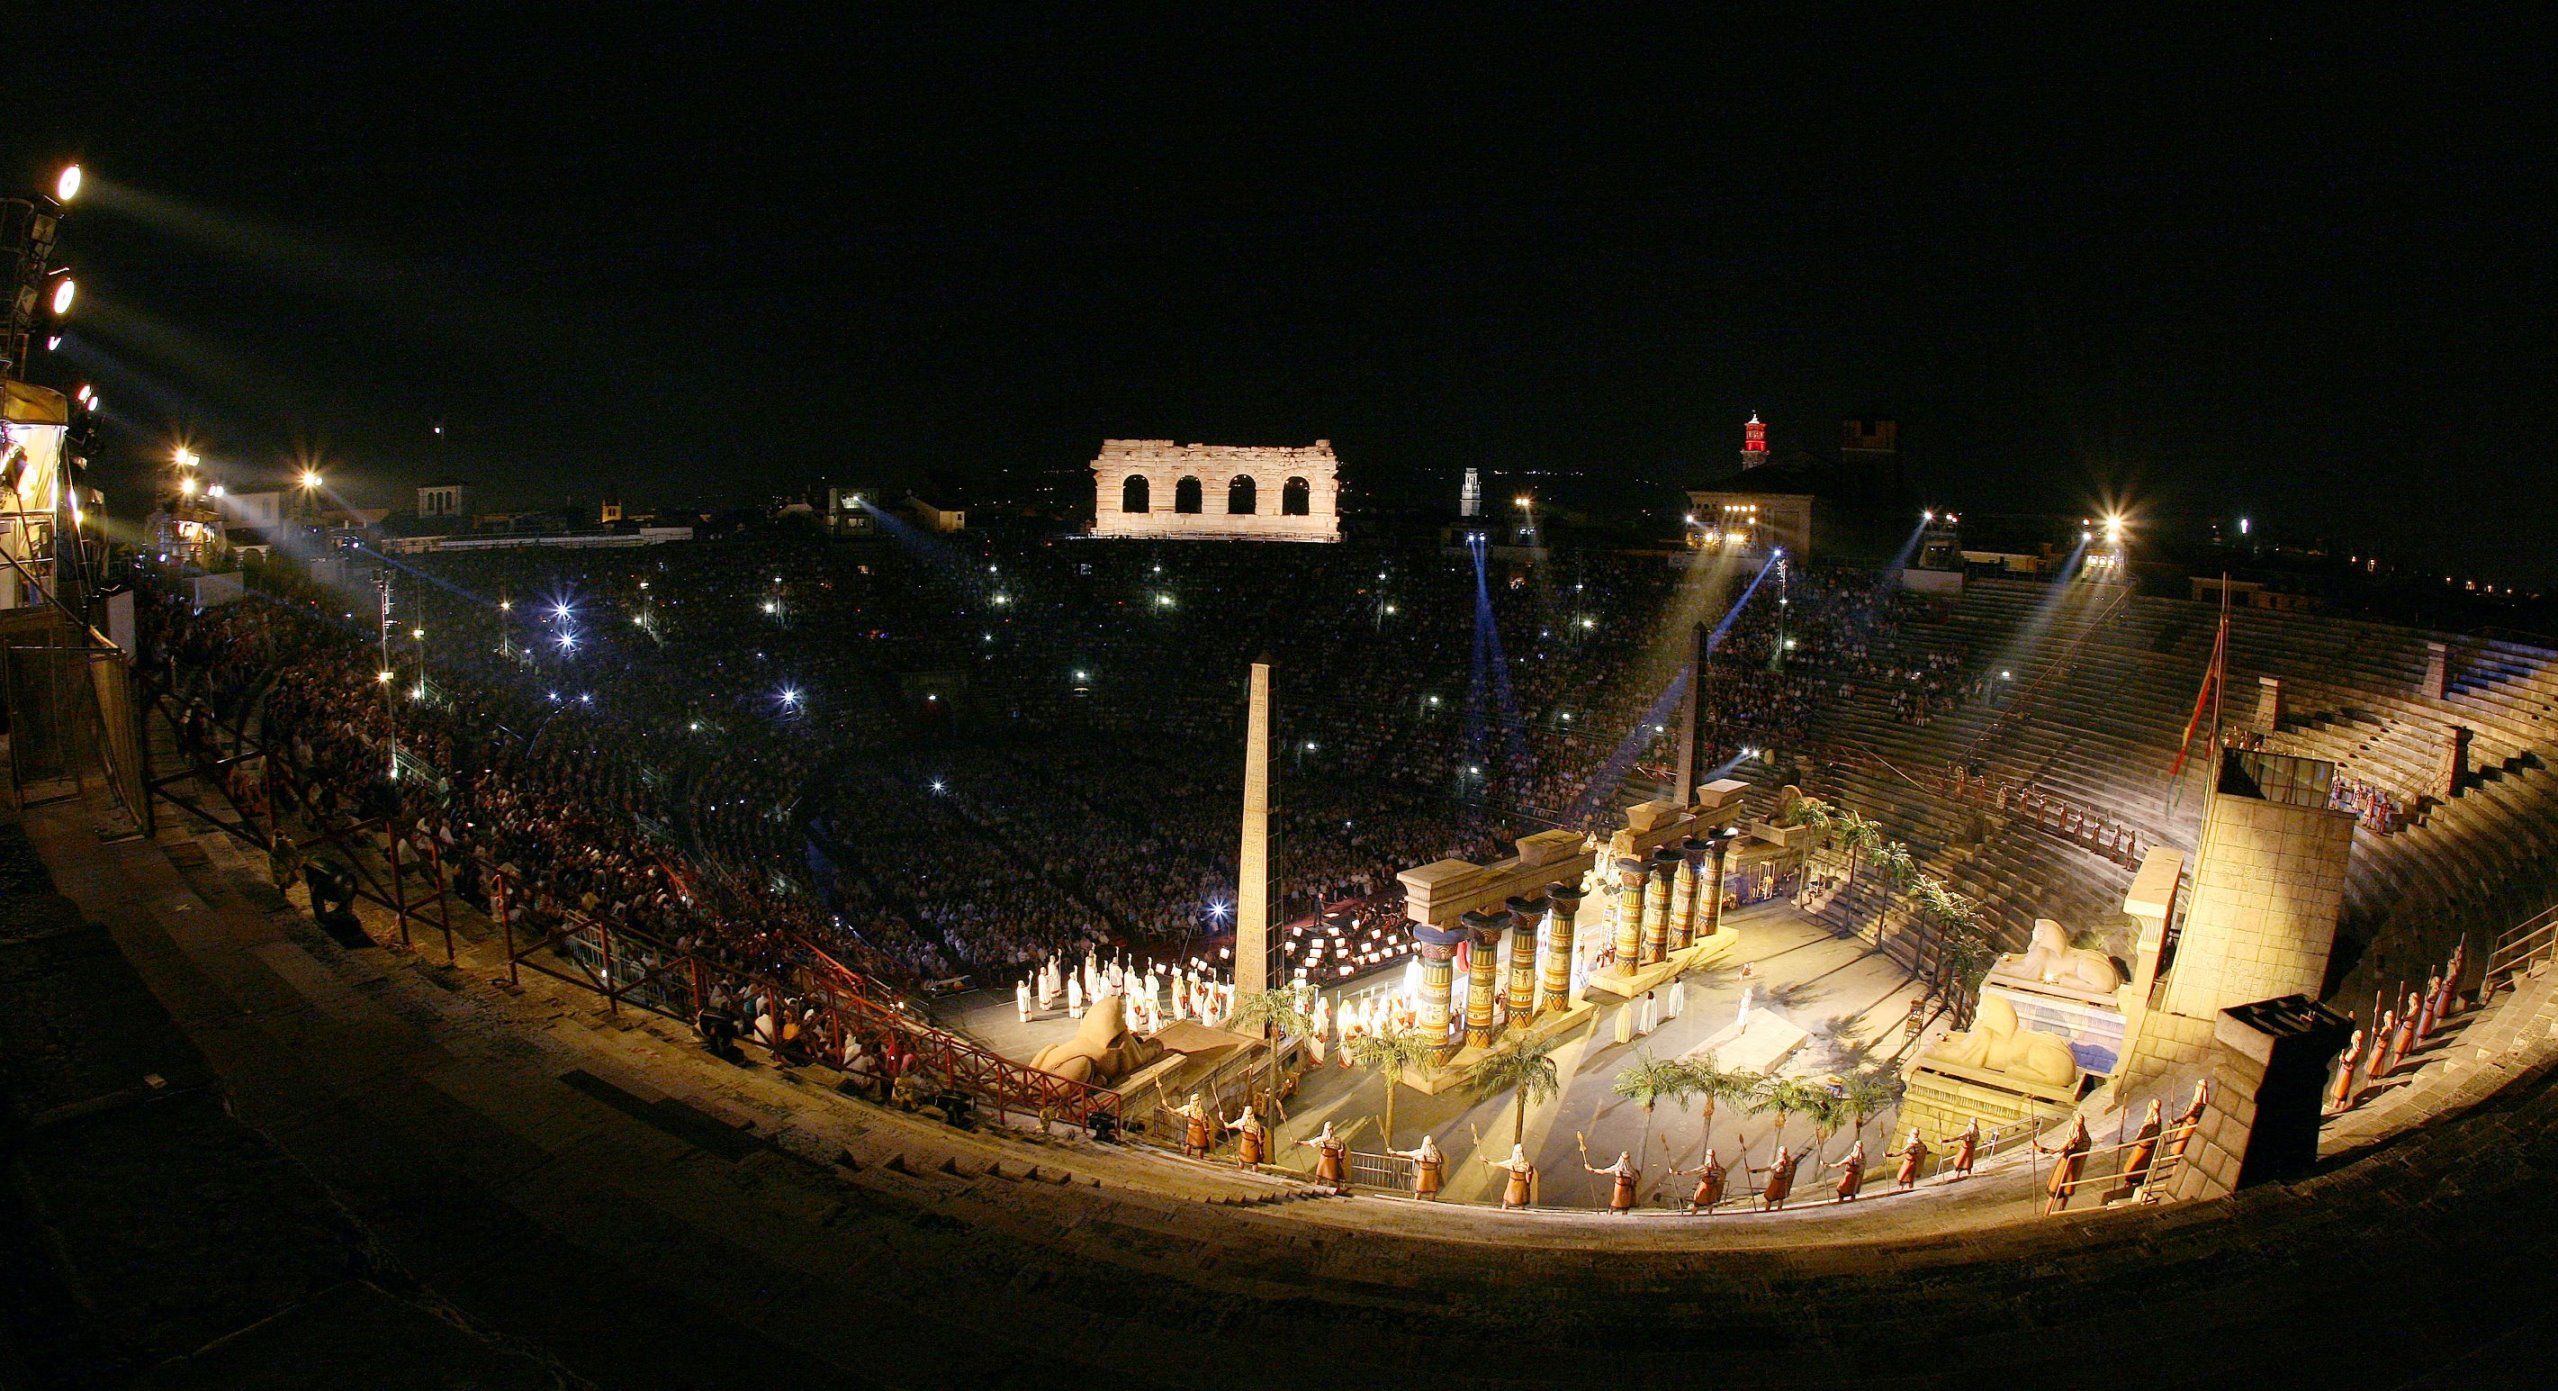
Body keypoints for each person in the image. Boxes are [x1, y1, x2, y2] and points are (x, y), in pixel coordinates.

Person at [2036, 1115, 2092, 1215]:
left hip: (2068, 1165)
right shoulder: (2085, 1139)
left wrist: (2038, 1148)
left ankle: (2047, 1213)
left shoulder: (2076, 1138)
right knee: (2063, 1190)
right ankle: (2058, 1210)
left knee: (2055, 1191)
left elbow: (2057, 1150)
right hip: (2073, 1166)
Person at [2121, 1098, 2165, 1192]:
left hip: (2141, 1150)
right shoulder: (2158, 1123)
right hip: (2149, 1151)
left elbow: (2138, 1139)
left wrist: (2124, 1145)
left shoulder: (2148, 1126)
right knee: (2141, 1169)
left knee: (2132, 1170)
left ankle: (2128, 1188)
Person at [1390, 1135, 1445, 1199]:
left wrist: (1395, 1153)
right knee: (1431, 1190)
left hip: (1424, 1173)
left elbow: (1407, 1153)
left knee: (1419, 1190)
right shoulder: (1437, 1154)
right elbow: (1440, 1162)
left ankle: (1416, 1201)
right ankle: (1430, 1200)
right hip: (1432, 1173)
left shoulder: (1420, 1153)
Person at [1484, 1143, 1537, 1210]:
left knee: (1508, 1199)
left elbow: (1496, 1164)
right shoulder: (1526, 1164)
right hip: (1522, 1184)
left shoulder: (1511, 1163)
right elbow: (1529, 1173)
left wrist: (1486, 1160)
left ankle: (1505, 1209)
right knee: (1520, 1199)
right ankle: (1520, 1209)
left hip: (1513, 1183)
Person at [1301, 1120, 1349, 1191]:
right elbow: (1310, 1143)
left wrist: (1298, 1142)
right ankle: (1318, 1188)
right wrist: (1298, 1142)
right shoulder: (1331, 1140)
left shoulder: (1333, 1140)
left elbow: (1310, 1143)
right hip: (1328, 1161)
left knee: (1329, 1176)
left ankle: (1336, 1189)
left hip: (1329, 1161)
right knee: (1322, 1176)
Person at [1676, 1148, 1727, 1214]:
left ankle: (1693, 1216)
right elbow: (1721, 1177)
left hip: (1704, 1188)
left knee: (1697, 1204)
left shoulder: (1704, 1168)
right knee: (1710, 1204)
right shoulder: (1719, 1168)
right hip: (1712, 1188)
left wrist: (1675, 1172)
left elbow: (1689, 1173)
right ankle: (1709, 1216)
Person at [1752, 1143, 1798, 1211]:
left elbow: (1766, 1169)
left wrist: (1752, 1171)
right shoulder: (1789, 1160)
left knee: (1769, 1198)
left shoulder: (1780, 1162)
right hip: (1783, 1181)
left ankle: (1767, 1211)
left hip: (1777, 1182)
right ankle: (1779, 1209)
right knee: (1780, 1197)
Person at [1176, 1092, 1214, 1158]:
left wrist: (1166, 1105)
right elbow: (1204, 1122)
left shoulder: (1188, 1108)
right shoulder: (1200, 1112)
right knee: (1201, 1146)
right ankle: (1200, 1159)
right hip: (1199, 1129)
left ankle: (1187, 1156)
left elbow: (1175, 1111)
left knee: (1189, 1144)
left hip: (1191, 1127)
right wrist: (1206, 1130)